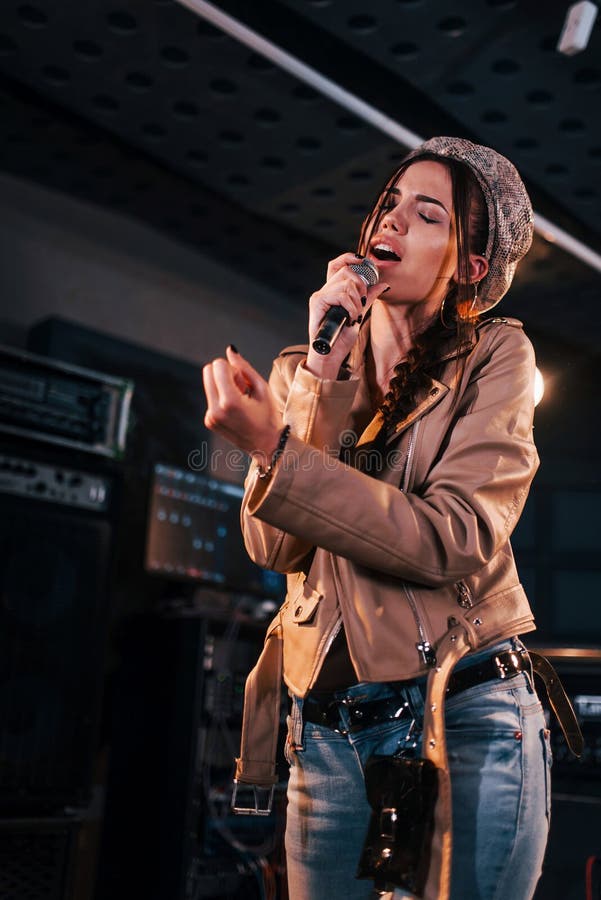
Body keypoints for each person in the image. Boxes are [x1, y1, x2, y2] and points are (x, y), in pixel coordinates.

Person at [202, 137, 551, 900]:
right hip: (326, 732)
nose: (390, 221)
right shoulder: (302, 369)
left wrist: (273, 450)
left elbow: (450, 538)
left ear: (470, 267)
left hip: (463, 713)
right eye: (388, 204)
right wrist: (323, 374)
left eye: (427, 215)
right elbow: (272, 545)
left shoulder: (496, 357)